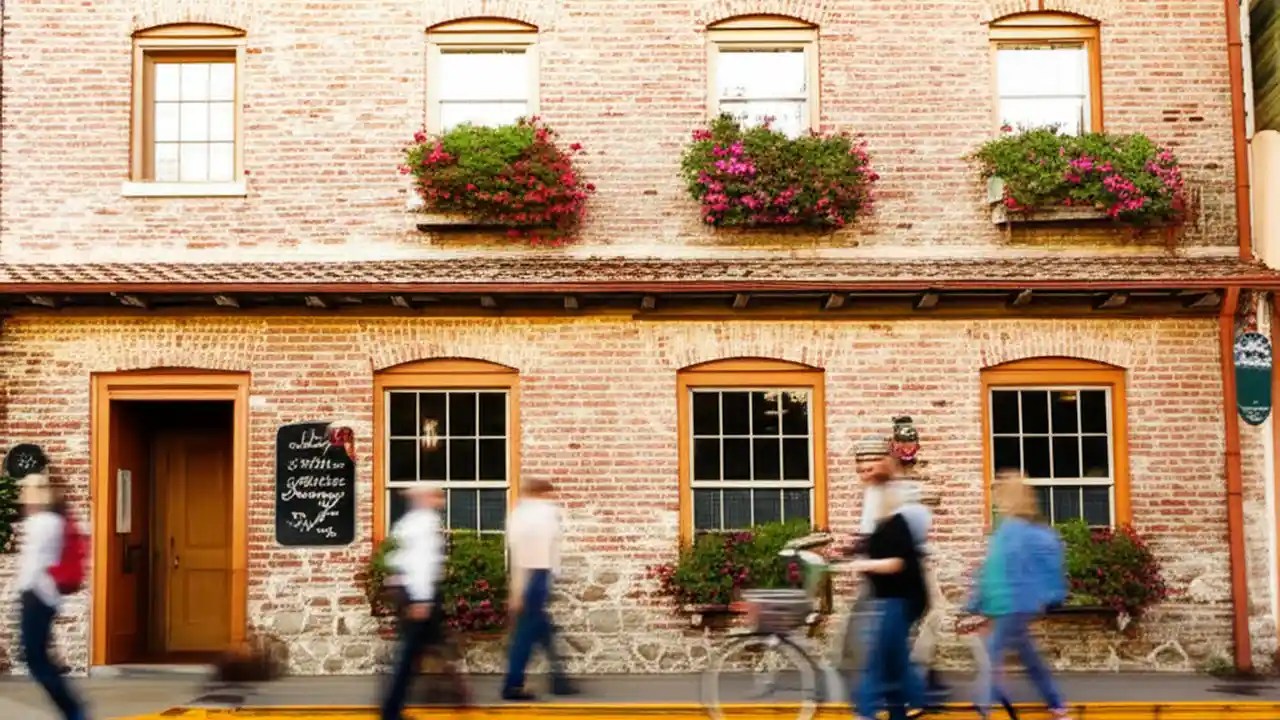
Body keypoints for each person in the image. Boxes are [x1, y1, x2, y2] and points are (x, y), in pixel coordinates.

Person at [967, 470, 1070, 720]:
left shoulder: (1011, 531)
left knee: (993, 656)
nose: (995, 501)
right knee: (1028, 657)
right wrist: (1051, 594)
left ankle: (985, 708)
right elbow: (1051, 556)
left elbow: (992, 571)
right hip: (1018, 604)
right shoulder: (1026, 531)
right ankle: (1056, 705)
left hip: (1009, 605)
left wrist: (975, 605)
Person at [849, 482, 928, 720]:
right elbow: (872, 552)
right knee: (892, 659)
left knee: (880, 659)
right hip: (889, 600)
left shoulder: (897, 525)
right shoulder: (880, 529)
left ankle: (867, 710)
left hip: (903, 599)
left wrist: (865, 564)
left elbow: (897, 563)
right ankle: (902, 708)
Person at [15, 474, 89, 720]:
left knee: (36, 660)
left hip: (36, 596)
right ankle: (73, 709)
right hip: (47, 597)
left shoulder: (39, 523)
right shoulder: (54, 520)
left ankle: (74, 711)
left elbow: (33, 566)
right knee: (38, 657)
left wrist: (24, 594)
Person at [502, 478, 577, 701]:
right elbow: (524, 556)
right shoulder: (541, 515)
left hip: (534, 576)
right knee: (526, 634)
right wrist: (517, 592)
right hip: (535, 576)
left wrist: (515, 589)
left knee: (543, 629)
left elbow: (514, 555)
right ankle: (513, 684)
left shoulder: (520, 514)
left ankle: (559, 678)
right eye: (549, 494)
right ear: (542, 493)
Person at [380, 485, 446, 720]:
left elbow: (396, 555)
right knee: (410, 655)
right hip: (419, 594)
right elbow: (423, 564)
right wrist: (422, 599)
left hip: (407, 590)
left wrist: (397, 580)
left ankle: (396, 705)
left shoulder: (407, 522)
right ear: (426, 498)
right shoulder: (426, 522)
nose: (442, 500)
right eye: (437, 495)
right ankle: (391, 709)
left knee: (426, 649)